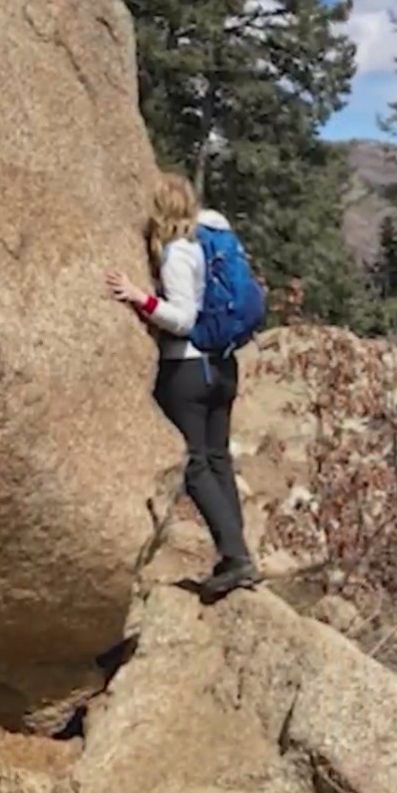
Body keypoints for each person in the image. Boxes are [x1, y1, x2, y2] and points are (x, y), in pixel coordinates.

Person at [104, 173, 260, 601]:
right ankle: (237, 557)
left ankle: (235, 556)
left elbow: (183, 318)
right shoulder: (212, 239)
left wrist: (139, 297)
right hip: (221, 366)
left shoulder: (179, 251)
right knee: (217, 460)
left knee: (194, 464)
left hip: (189, 369)